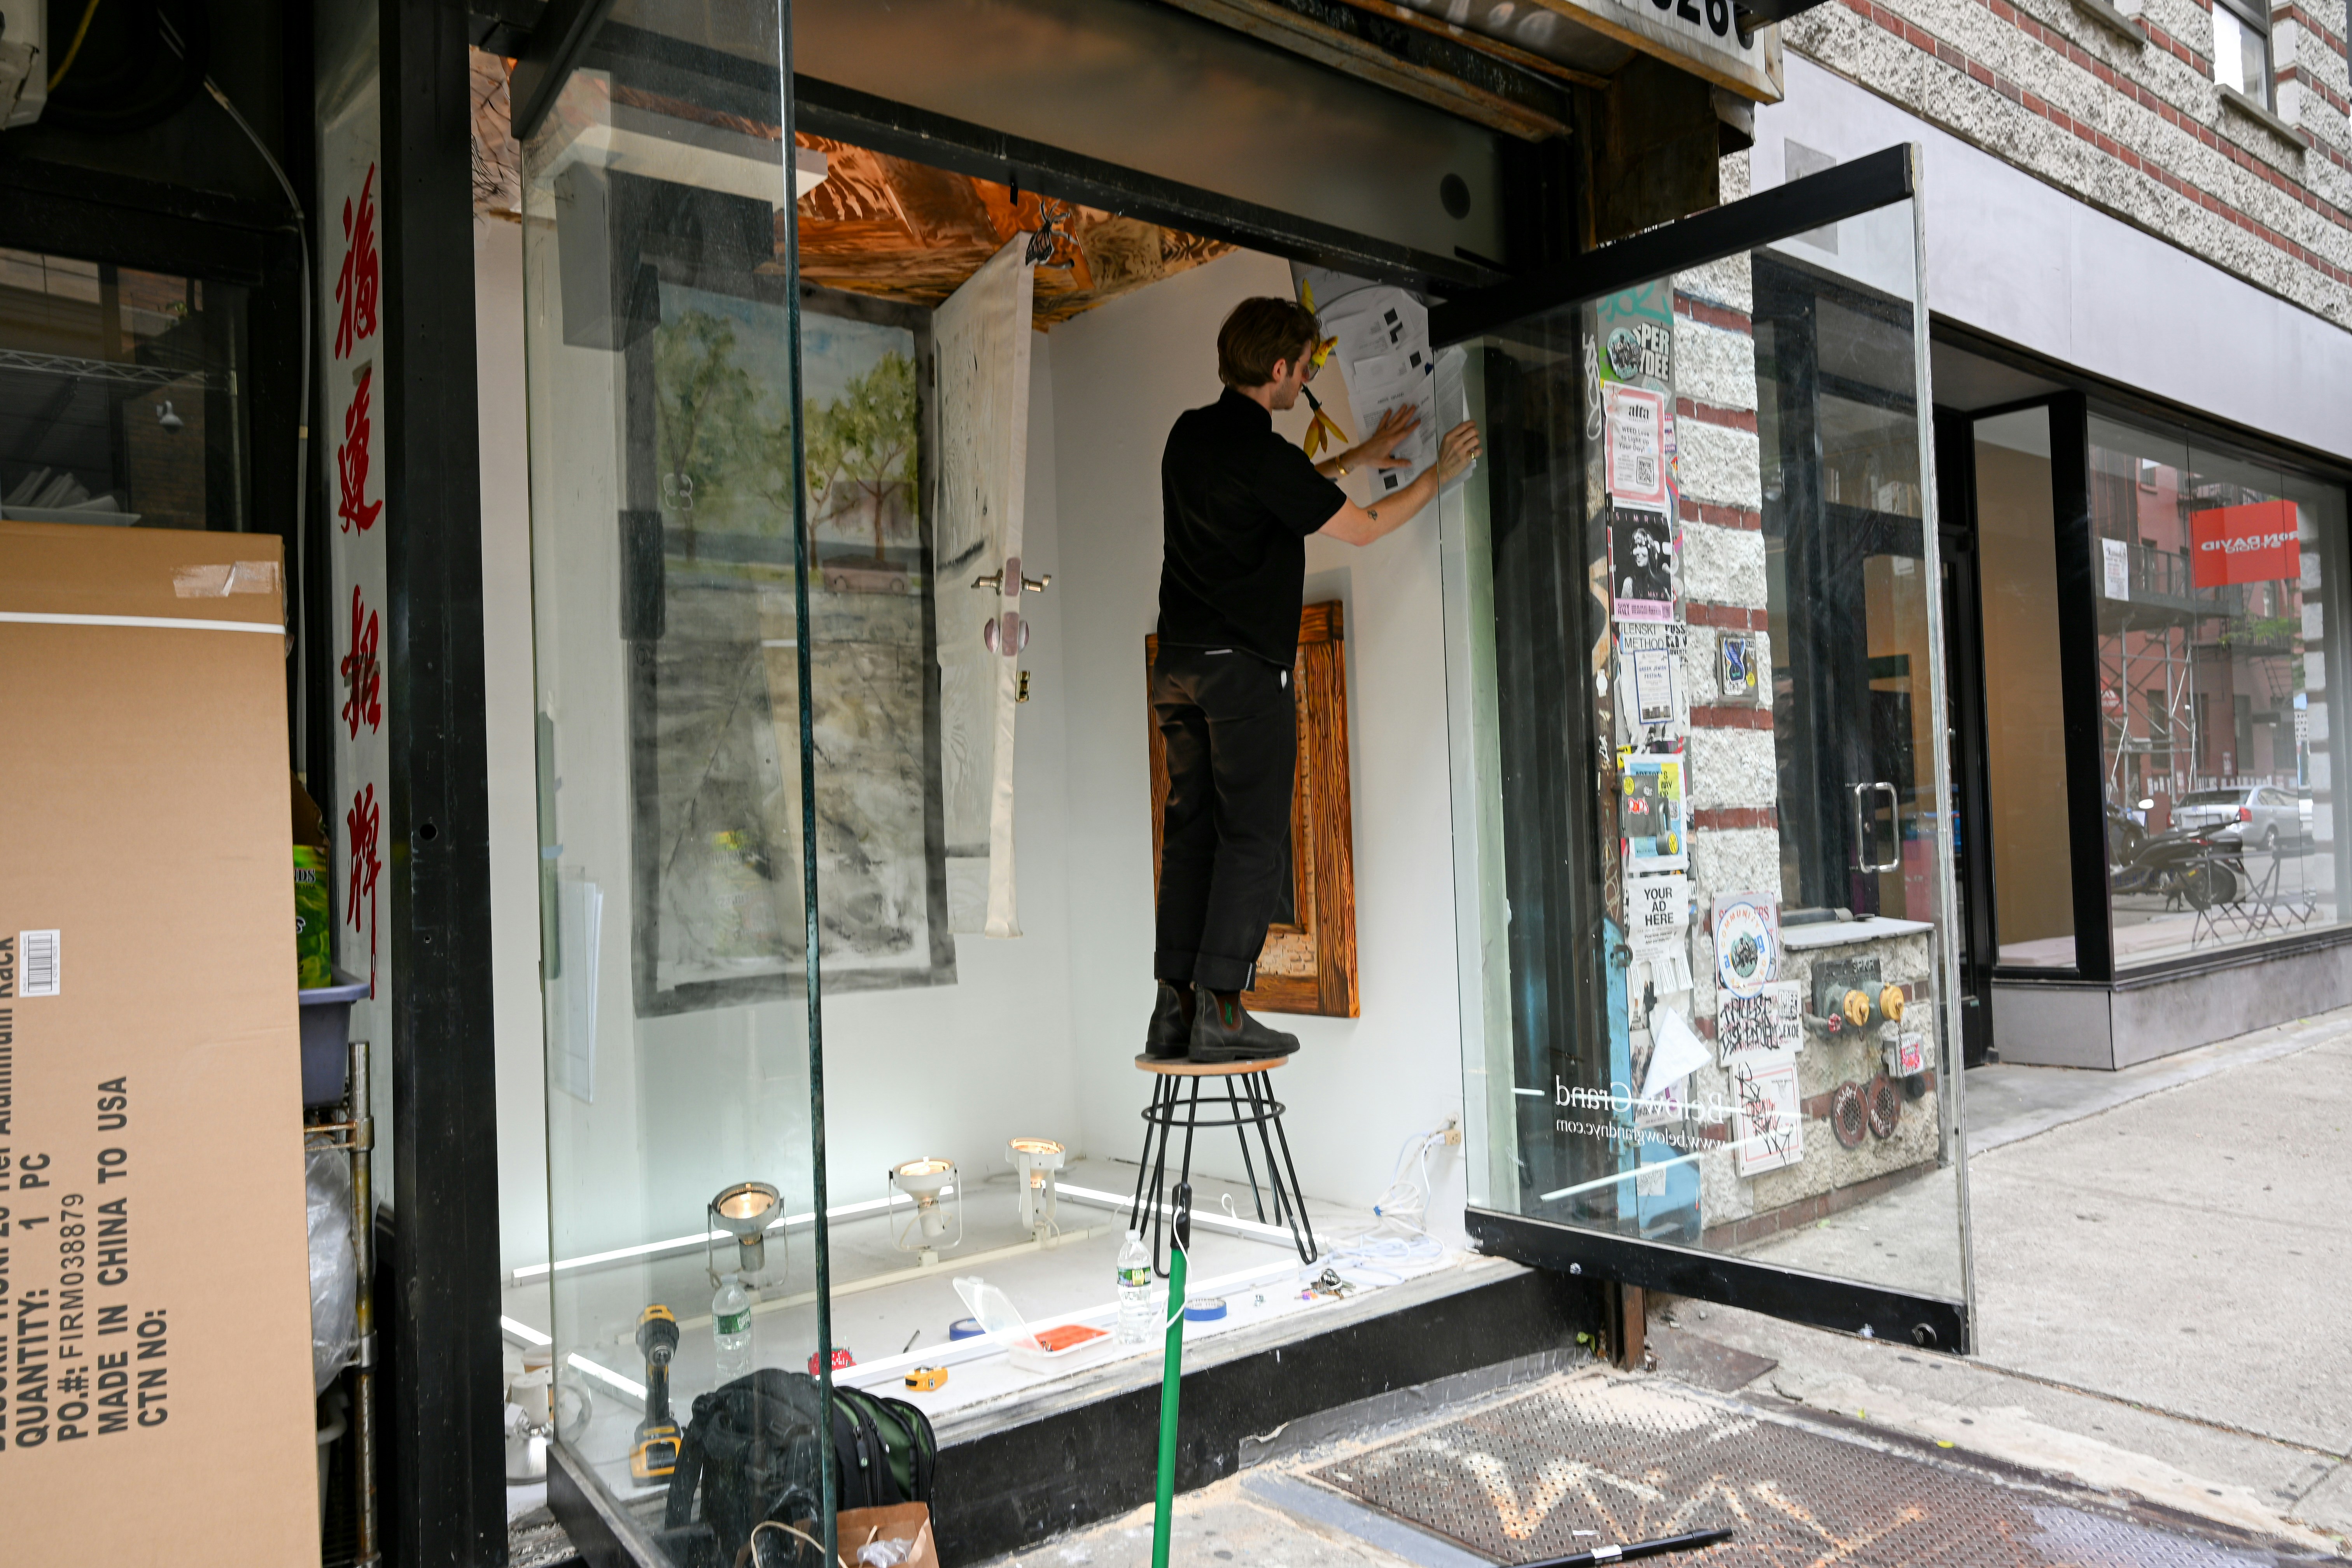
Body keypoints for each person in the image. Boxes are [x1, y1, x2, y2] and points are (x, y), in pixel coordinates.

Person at [1148, 297, 1480, 1062]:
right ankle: (1225, 1010)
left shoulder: (1190, 435)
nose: (1308, 380)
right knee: (1254, 840)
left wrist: (1362, 453)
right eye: (1306, 368)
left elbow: (1282, 489)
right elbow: (1360, 528)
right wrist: (1437, 473)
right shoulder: (1267, 458)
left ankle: (1175, 1009)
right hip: (1242, 676)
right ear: (1278, 369)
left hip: (1180, 670)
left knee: (1191, 831)